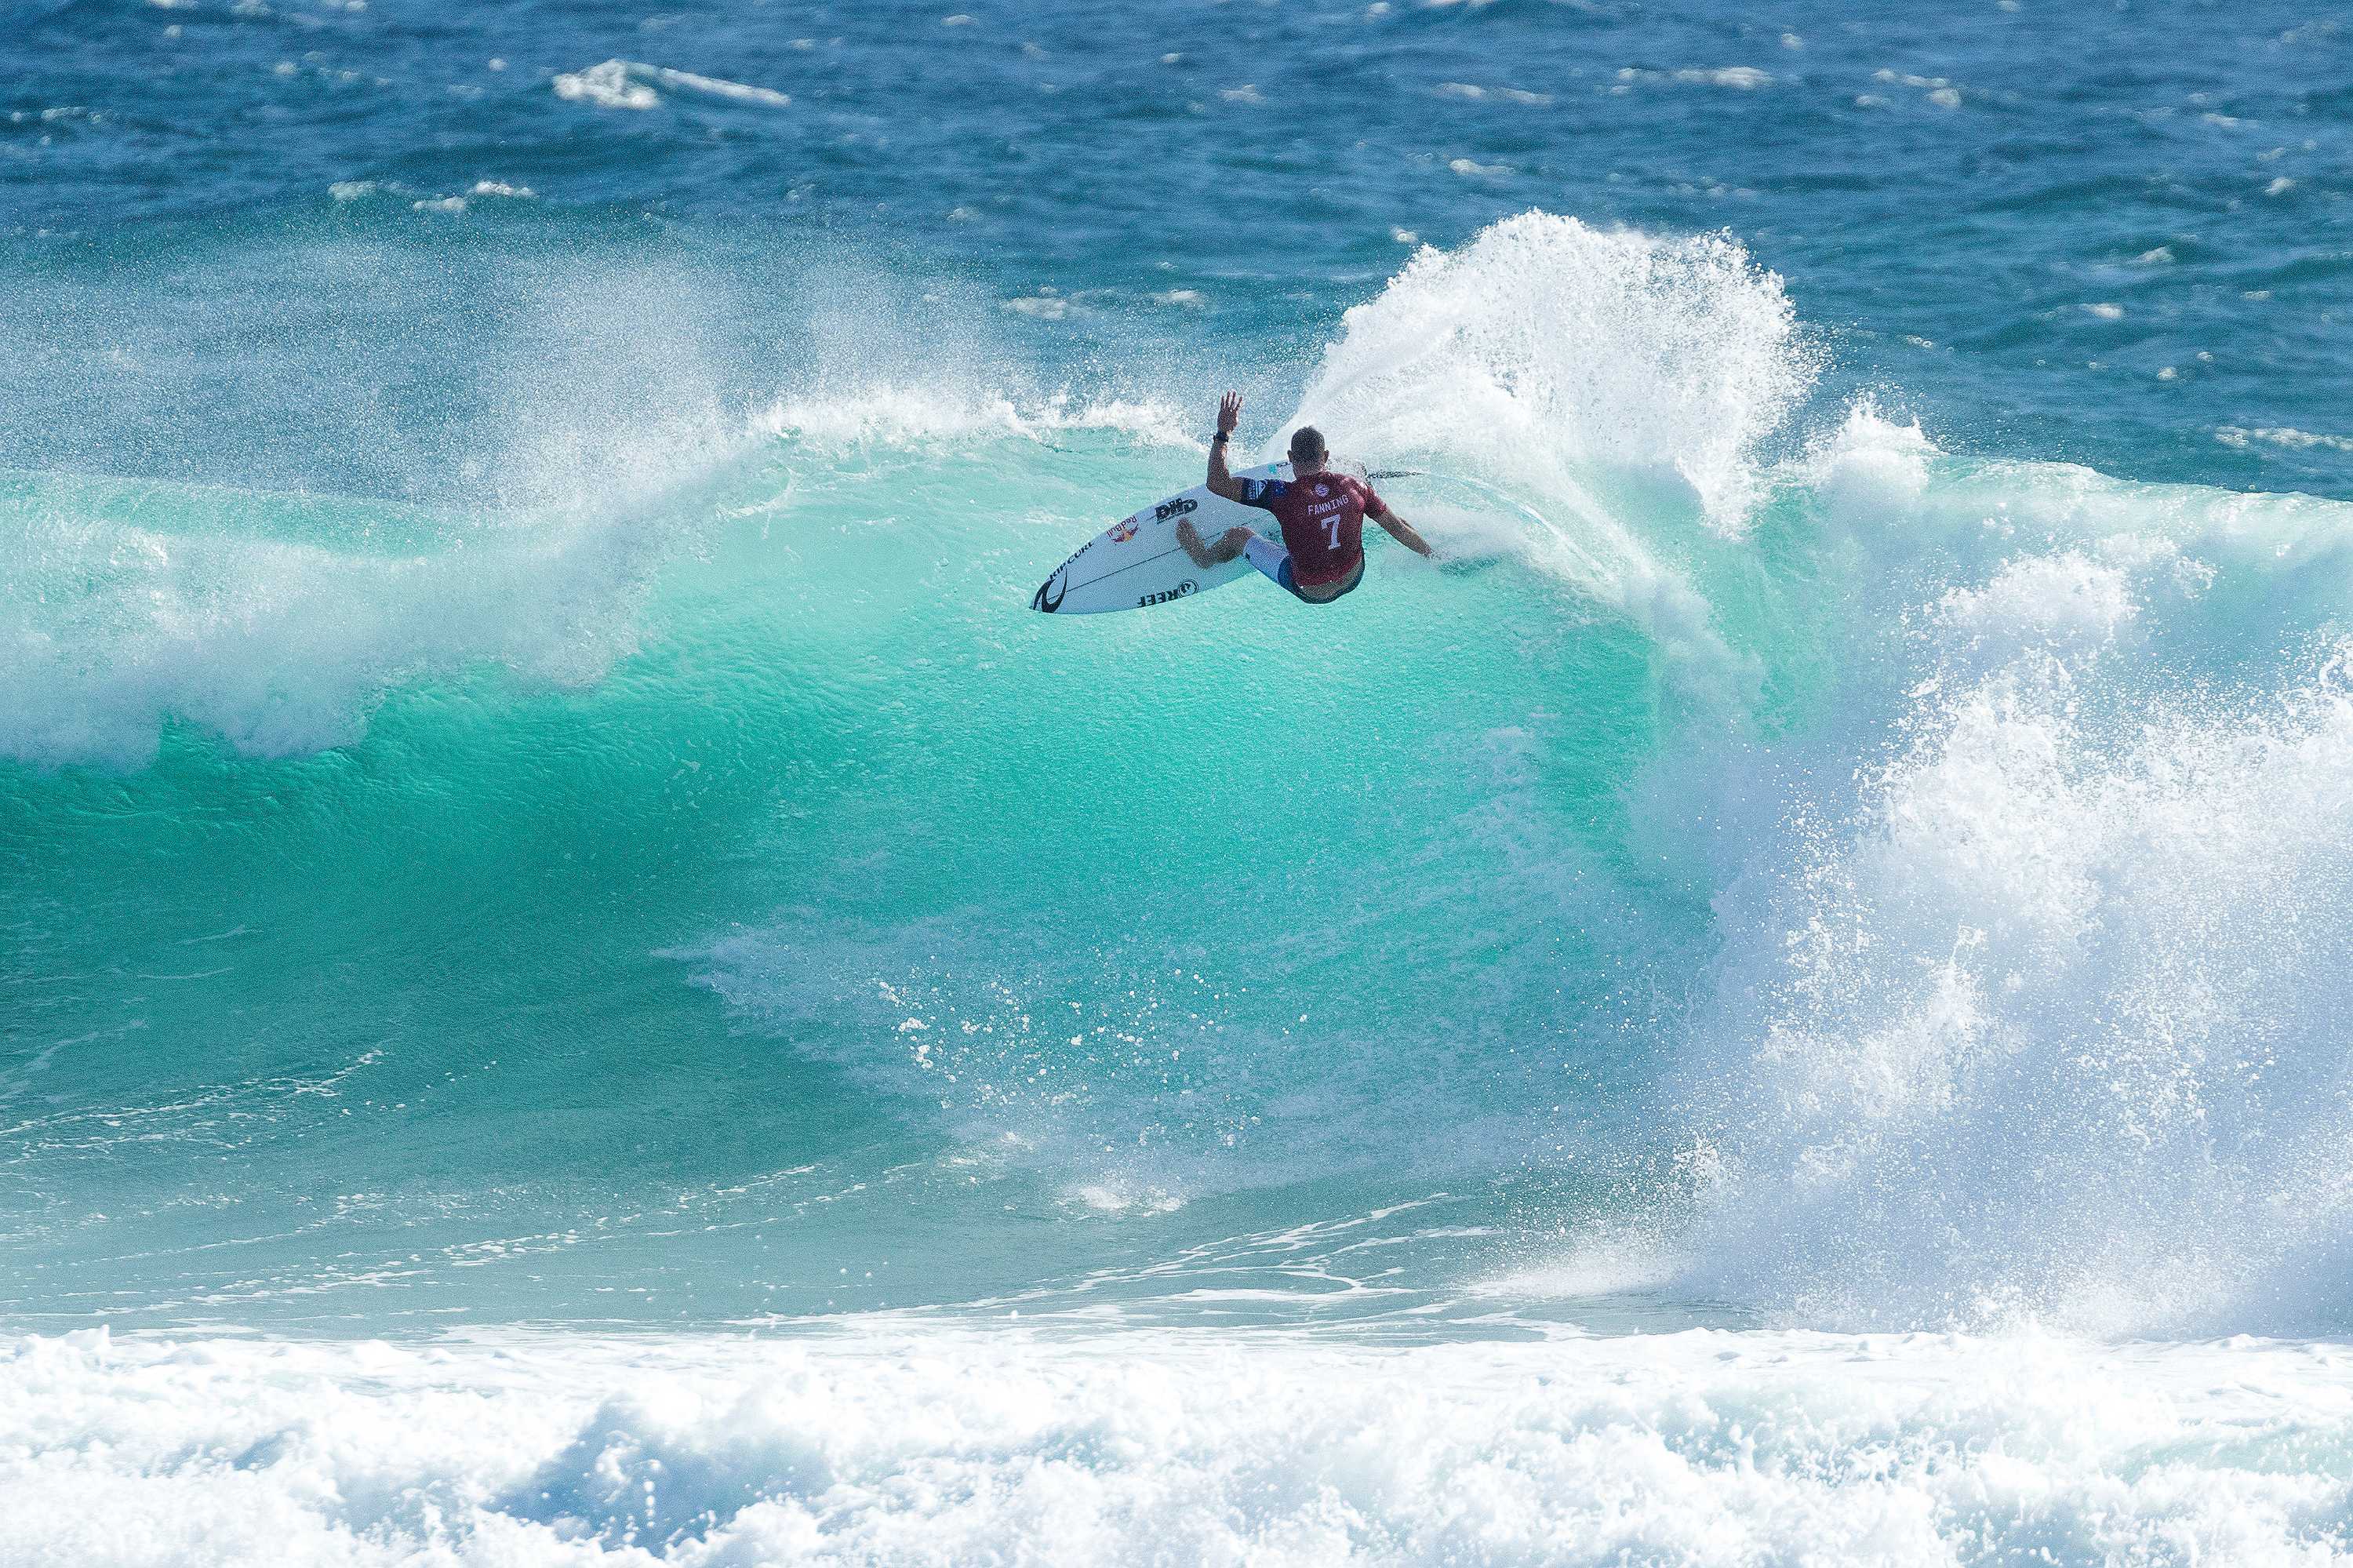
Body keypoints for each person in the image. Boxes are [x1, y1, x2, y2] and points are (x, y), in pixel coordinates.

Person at [1176, 391, 1432, 603]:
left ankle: (1204, 558)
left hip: (1310, 590)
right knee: (1383, 518)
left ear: (1289, 457)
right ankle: (1429, 551)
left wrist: (1223, 434)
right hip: (1354, 576)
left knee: (1238, 535)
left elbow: (1217, 483)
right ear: (1327, 456)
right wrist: (1432, 555)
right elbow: (1397, 528)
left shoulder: (1280, 494)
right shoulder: (1356, 486)